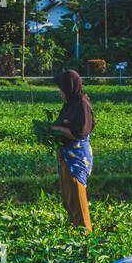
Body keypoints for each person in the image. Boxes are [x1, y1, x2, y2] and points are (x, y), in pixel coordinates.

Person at [51, 69, 95, 234]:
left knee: (77, 196)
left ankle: (85, 233)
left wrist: (58, 129)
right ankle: (75, 230)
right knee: (68, 197)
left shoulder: (82, 104)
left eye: (61, 88)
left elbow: (80, 133)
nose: (59, 91)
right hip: (66, 155)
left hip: (77, 157)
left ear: (69, 87)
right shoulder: (69, 104)